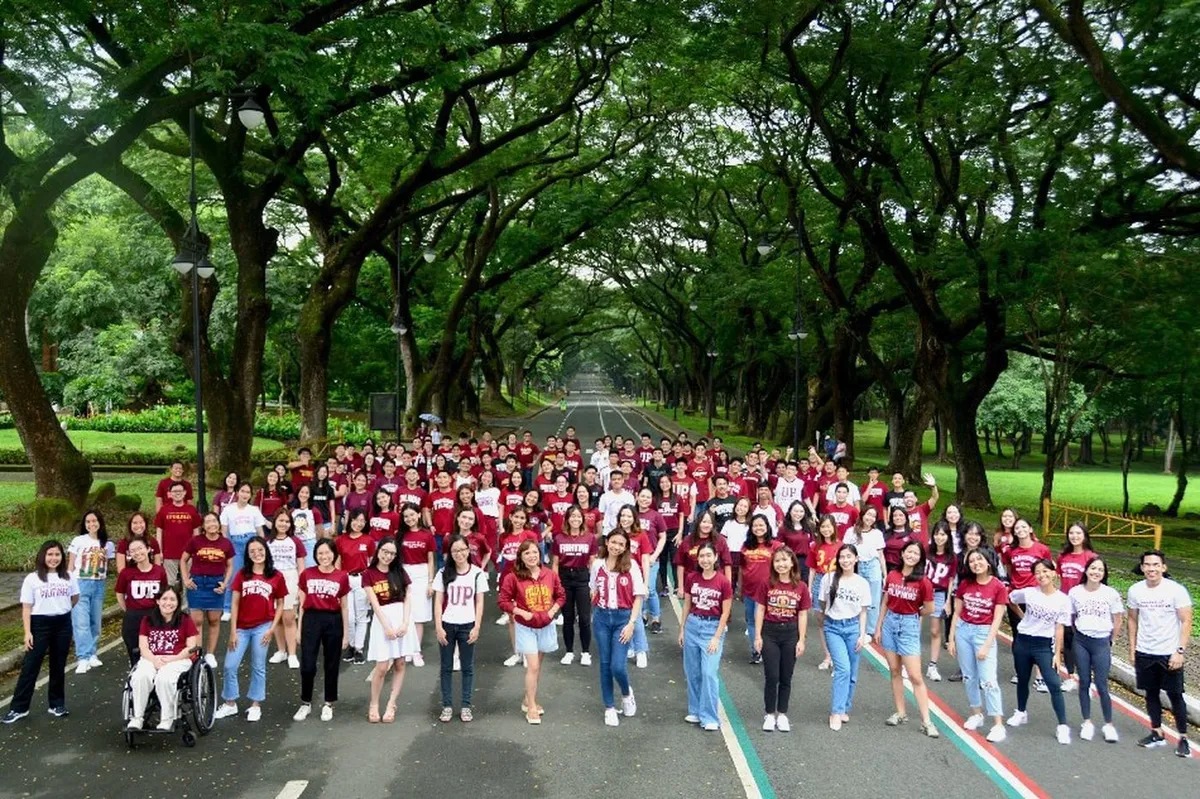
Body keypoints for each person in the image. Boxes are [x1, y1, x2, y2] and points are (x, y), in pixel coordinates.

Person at [2, 541, 79, 724]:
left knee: (58, 665)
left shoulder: (68, 576)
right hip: (39, 625)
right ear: (43, 556)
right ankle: (19, 708)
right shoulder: (32, 578)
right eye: (50, 554)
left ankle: (56, 704)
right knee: (31, 666)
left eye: (57, 555)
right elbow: (26, 608)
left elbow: (74, 598)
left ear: (62, 557)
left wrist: (63, 609)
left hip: (62, 623)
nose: (54, 558)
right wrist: (28, 632)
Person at [1127, 549, 1193, 757]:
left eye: (1156, 565)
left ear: (1163, 568)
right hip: (1145, 651)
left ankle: (1183, 737)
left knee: (1175, 696)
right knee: (1151, 694)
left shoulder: (1176, 590)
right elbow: (1132, 620)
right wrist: (1132, 648)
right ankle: (1156, 732)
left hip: (1169, 653)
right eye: (1147, 565)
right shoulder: (1135, 590)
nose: (1151, 569)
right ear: (1142, 567)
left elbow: (1186, 621)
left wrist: (1179, 651)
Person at [213, 537, 286, 723]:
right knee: (230, 665)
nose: (257, 554)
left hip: (263, 626)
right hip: (242, 628)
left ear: (266, 551)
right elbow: (235, 603)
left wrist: (271, 629)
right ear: (248, 554)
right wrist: (232, 631)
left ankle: (255, 704)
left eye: (260, 550)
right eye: (252, 551)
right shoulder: (242, 574)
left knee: (258, 665)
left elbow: (280, 603)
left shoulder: (275, 575)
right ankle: (230, 703)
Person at [876, 541, 939, 737]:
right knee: (894, 670)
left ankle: (926, 721)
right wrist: (878, 626)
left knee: (915, 676)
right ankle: (900, 712)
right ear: (902, 554)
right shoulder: (893, 576)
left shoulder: (923, 582)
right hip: (890, 623)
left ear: (920, 558)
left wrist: (912, 615)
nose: (911, 555)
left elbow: (929, 608)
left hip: (909, 624)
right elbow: (885, 601)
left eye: (916, 553)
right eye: (908, 552)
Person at [498, 540, 565, 724]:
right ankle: (532, 707)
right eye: (526, 553)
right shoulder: (513, 577)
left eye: (534, 552)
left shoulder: (549, 574)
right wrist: (521, 612)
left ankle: (528, 699)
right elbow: (503, 601)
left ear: (540, 553)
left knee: (537, 667)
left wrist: (552, 611)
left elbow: (560, 595)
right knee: (533, 666)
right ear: (520, 556)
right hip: (525, 626)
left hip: (546, 625)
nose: (531, 556)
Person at [1007, 559, 1072, 744]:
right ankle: (1021, 712)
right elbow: (1010, 599)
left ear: (1053, 573)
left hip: (1044, 645)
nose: (1041, 575)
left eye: (1045, 571)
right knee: (1023, 679)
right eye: (1037, 572)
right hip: (1023, 641)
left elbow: (1059, 628)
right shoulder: (1028, 593)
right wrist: (1021, 617)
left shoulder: (1063, 600)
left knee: (1053, 683)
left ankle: (1062, 725)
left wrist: (1057, 655)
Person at [947, 546, 1008, 742]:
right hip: (964, 631)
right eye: (972, 561)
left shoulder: (998, 586)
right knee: (969, 676)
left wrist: (987, 645)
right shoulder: (965, 584)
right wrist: (951, 638)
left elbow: (997, 619)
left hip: (984, 633)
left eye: (979, 559)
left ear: (989, 562)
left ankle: (998, 724)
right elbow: (957, 612)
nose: (976, 564)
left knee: (988, 680)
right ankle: (976, 713)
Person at [589, 528, 646, 727]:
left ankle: (626, 692)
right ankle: (610, 707)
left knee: (617, 666)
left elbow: (639, 596)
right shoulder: (597, 565)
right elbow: (593, 589)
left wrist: (631, 624)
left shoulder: (631, 567)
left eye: (621, 544)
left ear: (626, 548)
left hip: (623, 619)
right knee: (604, 664)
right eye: (613, 542)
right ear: (607, 542)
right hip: (602, 618)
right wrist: (595, 611)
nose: (616, 547)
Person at [126, 587, 200, 732]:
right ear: (158, 601)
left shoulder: (185, 620)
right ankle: (137, 718)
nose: (168, 603)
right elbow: (143, 647)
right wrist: (154, 660)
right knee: (140, 676)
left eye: (172, 599)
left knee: (164, 678)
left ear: (178, 603)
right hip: (151, 658)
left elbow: (192, 647)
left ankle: (167, 718)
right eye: (165, 599)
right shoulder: (147, 620)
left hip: (178, 659)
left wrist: (173, 658)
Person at [433, 535, 488, 722]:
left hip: (468, 624)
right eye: (455, 550)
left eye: (462, 549)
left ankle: (466, 705)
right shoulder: (442, 573)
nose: (459, 554)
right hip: (448, 623)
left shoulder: (477, 573)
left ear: (468, 550)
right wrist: (438, 626)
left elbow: (480, 602)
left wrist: (477, 626)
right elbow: (438, 601)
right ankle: (447, 705)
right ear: (450, 553)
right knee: (446, 667)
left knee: (467, 667)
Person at [753, 547, 809, 732]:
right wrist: (758, 635)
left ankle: (782, 714)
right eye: (777, 561)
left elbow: (802, 615)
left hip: (790, 634)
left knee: (786, 676)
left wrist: (801, 640)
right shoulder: (766, 583)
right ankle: (769, 714)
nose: (781, 564)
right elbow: (760, 609)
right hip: (770, 632)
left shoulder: (801, 586)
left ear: (792, 562)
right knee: (772, 675)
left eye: (784, 560)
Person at [294, 540, 350, 722]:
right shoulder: (307, 574)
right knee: (308, 665)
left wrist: (346, 634)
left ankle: (328, 703)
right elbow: (302, 605)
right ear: (315, 555)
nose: (324, 557)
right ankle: (306, 702)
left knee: (332, 664)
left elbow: (344, 607)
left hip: (333, 620)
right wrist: (298, 629)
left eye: (327, 553)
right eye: (320, 554)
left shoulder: (341, 576)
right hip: (311, 619)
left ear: (334, 554)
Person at [1069, 556, 1123, 743]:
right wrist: (1078, 635)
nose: (1096, 572)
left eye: (1100, 570)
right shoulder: (1075, 592)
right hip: (1081, 641)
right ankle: (1087, 722)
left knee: (1101, 684)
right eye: (1093, 568)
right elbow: (1072, 616)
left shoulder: (1111, 594)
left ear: (1104, 574)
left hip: (1101, 642)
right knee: (1084, 681)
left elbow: (1118, 620)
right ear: (1086, 571)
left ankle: (1108, 724)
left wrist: (1111, 641)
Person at [679, 541, 732, 732]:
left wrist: (717, 637)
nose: (705, 559)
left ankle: (710, 716)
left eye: (709, 555)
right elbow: (687, 604)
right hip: (693, 625)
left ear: (716, 557)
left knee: (709, 673)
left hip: (712, 628)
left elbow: (725, 613)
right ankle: (695, 709)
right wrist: (682, 629)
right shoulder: (692, 578)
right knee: (692, 672)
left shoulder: (723, 581)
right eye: (702, 556)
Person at [363, 537, 414, 723]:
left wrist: (405, 622)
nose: (388, 556)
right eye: (385, 551)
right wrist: (386, 626)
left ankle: (392, 703)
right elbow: (374, 603)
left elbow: (408, 597)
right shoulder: (369, 573)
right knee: (382, 666)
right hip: (382, 620)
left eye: (392, 553)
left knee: (400, 663)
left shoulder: (400, 572)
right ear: (378, 551)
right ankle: (374, 704)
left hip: (401, 617)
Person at [820, 544, 870, 731]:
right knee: (843, 669)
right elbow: (822, 603)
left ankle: (844, 707)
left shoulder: (862, 583)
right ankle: (836, 711)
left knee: (853, 672)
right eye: (842, 557)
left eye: (849, 557)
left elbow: (864, 612)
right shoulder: (829, 578)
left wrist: (862, 635)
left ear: (856, 559)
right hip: (833, 627)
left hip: (853, 628)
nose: (845, 560)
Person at [180, 512, 235, 666]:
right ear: (203, 526)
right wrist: (185, 579)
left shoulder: (226, 543)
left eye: (214, 521)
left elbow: (230, 565)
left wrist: (225, 582)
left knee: (214, 619)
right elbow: (183, 560)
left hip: (215, 584)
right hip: (197, 583)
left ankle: (210, 654)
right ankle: (197, 654)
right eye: (208, 521)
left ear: (218, 524)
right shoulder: (195, 541)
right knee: (196, 620)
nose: (212, 524)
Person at [67, 509, 114, 674]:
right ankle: (83, 657)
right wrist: (69, 585)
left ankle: (93, 653)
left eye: (94, 521)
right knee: (81, 622)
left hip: (99, 584)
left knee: (95, 621)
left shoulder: (107, 544)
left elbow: (108, 565)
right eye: (88, 522)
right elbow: (71, 565)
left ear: (100, 522)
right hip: (80, 583)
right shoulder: (78, 540)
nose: (91, 524)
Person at [552, 506, 598, 666]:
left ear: (583, 519)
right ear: (567, 519)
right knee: (568, 618)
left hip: (583, 578)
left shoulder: (590, 537)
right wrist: (556, 584)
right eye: (572, 516)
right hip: (565, 578)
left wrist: (594, 585)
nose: (576, 519)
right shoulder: (559, 538)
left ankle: (586, 652)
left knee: (585, 618)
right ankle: (569, 651)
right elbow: (555, 563)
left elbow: (592, 562)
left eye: (579, 516)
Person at [114, 539, 168, 666]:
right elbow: (120, 593)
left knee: (156, 652)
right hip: (133, 617)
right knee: (135, 653)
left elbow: (164, 593)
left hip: (154, 616)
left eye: (140, 548)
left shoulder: (159, 571)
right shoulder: (126, 573)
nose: (137, 553)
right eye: (133, 551)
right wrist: (127, 610)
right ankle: (135, 681)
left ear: (148, 549)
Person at [1056, 522, 1096, 694]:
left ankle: (1087, 679)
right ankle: (1071, 676)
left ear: (1085, 535)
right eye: (1071, 533)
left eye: (1078, 533)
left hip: (1084, 604)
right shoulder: (1063, 556)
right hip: (1066, 604)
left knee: (1084, 641)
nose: (1074, 536)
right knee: (1068, 642)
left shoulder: (1091, 557)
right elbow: (1059, 578)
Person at [395, 503, 436, 666]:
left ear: (419, 515)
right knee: (405, 614)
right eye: (406, 516)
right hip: (404, 573)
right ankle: (406, 649)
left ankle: (416, 651)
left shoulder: (426, 535)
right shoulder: (400, 535)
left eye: (412, 515)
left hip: (422, 573)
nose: (409, 519)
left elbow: (431, 559)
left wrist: (430, 582)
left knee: (419, 616)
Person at [220, 481, 268, 620]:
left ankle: (252, 607)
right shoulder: (229, 509)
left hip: (251, 542)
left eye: (248, 492)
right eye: (243, 491)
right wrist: (226, 547)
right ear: (237, 492)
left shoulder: (254, 510)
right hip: (234, 543)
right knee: (233, 575)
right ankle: (227, 608)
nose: (245, 494)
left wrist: (262, 547)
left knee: (253, 576)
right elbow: (224, 531)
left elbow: (260, 531)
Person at [266, 508, 307, 669]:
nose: (283, 524)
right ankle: (281, 650)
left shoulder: (295, 541)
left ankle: (292, 654)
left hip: (290, 578)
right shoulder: (268, 541)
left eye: (287, 521)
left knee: (289, 618)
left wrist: (301, 586)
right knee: (276, 617)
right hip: (272, 580)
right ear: (275, 522)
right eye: (281, 520)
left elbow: (301, 566)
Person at [335, 509, 376, 664]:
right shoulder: (341, 540)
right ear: (350, 520)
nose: (358, 524)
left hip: (362, 579)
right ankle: (351, 645)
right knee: (349, 617)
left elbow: (372, 562)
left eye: (362, 521)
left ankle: (358, 648)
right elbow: (338, 561)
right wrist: (338, 579)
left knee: (362, 616)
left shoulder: (368, 540)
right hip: (346, 578)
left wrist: (371, 581)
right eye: (355, 520)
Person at [739, 514, 782, 665]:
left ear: (767, 527)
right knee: (751, 621)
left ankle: (770, 650)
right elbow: (742, 568)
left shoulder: (776, 546)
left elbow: (784, 566)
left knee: (765, 622)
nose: (758, 528)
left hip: (768, 591)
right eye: (755, 525)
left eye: (761, 525)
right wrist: (740, 587)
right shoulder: (746, 546)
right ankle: (756, 651)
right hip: (750, 591)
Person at [844, 506, 886, 643]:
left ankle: (870, 630)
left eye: (873, 516)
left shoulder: (877, 533)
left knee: (873, 600)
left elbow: (880, 555)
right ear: (862, 515)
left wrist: (884, 574)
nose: (870, 518)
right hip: (857, 566)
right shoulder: (852, 531)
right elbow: (846, 551)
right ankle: (856, 626)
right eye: (868, 514)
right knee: (857, 598)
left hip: (873, 566)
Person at [807, 516, 841, 669]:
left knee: (836, 619)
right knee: (821, 620)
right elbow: (812, 568)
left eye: (829, 526)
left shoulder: (841, 546)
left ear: (834, 527)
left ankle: (837, 656)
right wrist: (809, 588)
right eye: (823, 527)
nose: (826, 530)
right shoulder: (815, 546)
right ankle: (827, 655)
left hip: (836, 580)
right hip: (820, 581)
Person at [925, 524, 956, 682]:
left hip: (939, 593)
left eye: (943, 534)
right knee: (912, 626)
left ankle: (932, 665)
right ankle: (908, 661)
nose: (939, 537)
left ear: (948, 537)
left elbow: (951, 580)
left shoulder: (952, 557)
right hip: (922, 592)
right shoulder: (926, 551)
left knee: (935, 631)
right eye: (937, 534)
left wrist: (948, 601)